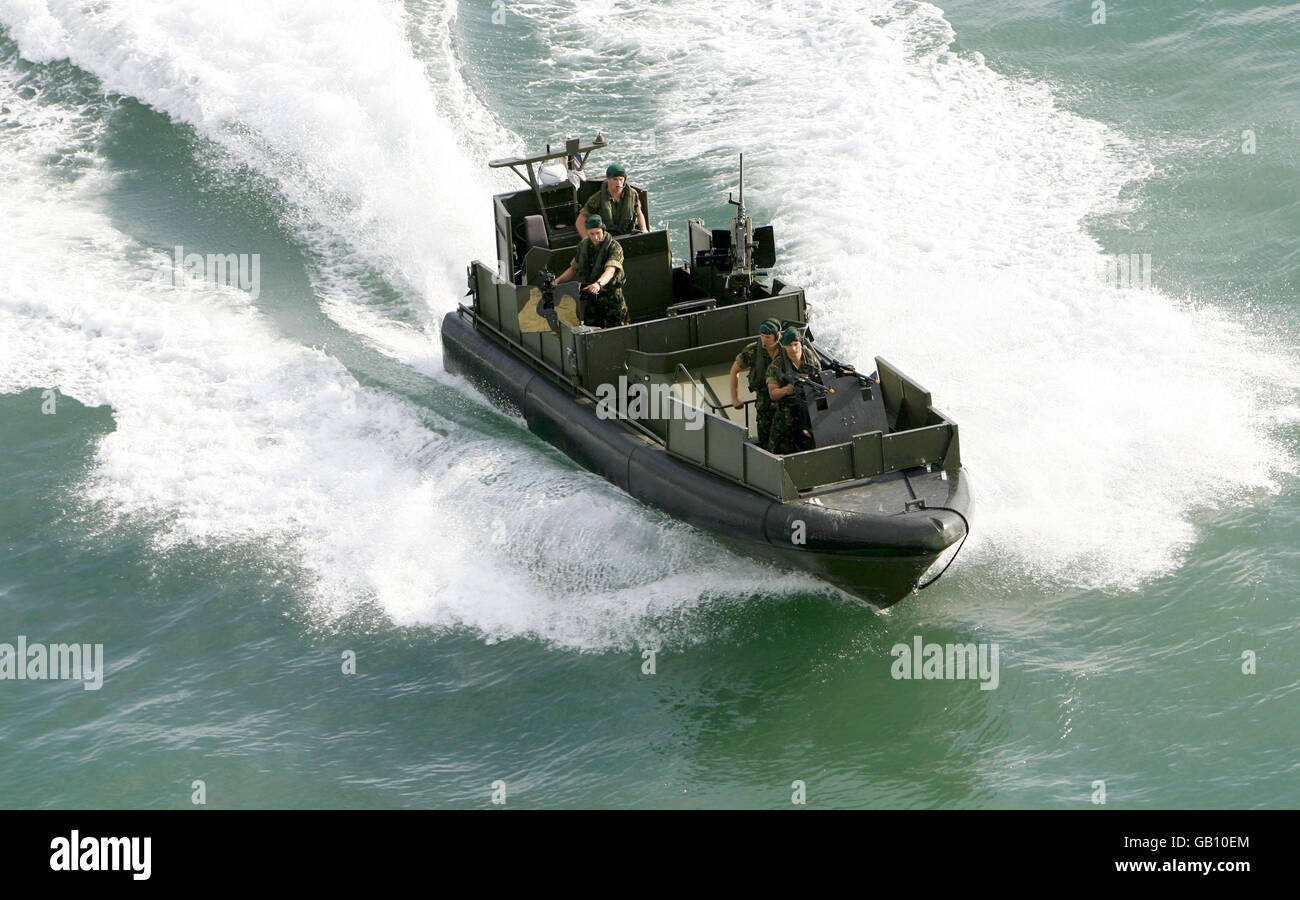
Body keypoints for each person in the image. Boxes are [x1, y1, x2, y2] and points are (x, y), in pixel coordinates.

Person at [555, 214, 628, 328]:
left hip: (611, 298)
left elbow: (610, 271)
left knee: (619, 329)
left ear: (603, 230)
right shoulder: (584, 246)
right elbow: (574, 268)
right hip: (592, 297)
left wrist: (598, 284)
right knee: (591, 330)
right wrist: (558, 281)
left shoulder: (614, 247)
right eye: (592, 234)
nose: (596, 237)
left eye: (598, 233)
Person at [765, 327, 822, 454]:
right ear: (783, 346)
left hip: (808, 410)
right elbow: (773, 394)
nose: (794, 349)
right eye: (789, 346)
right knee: (779, 449)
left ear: (800, 343)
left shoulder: (810, 358)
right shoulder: (776, 366)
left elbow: (821, 378)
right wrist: (787, 390)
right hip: (787, 412)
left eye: (796, 344)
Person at [729, 318, 783, 448]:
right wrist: (735, 398)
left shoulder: (786, 348)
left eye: (768, 337)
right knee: (765, 434)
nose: (764, 340)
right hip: (764, 399)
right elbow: (734, 370)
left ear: (776, 336)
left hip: (783, 398)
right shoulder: (753, 351)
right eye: (762, 336)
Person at [576, 163, 647, 237]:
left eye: (621, 179)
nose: (618, 183)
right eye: (615, 179)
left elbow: (639, 213)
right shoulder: (597, 198)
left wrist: (644, 230)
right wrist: (588, 241)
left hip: (628, 233)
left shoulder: (632, 194)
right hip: (607, 237)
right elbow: (580, 222)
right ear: (608, 179)